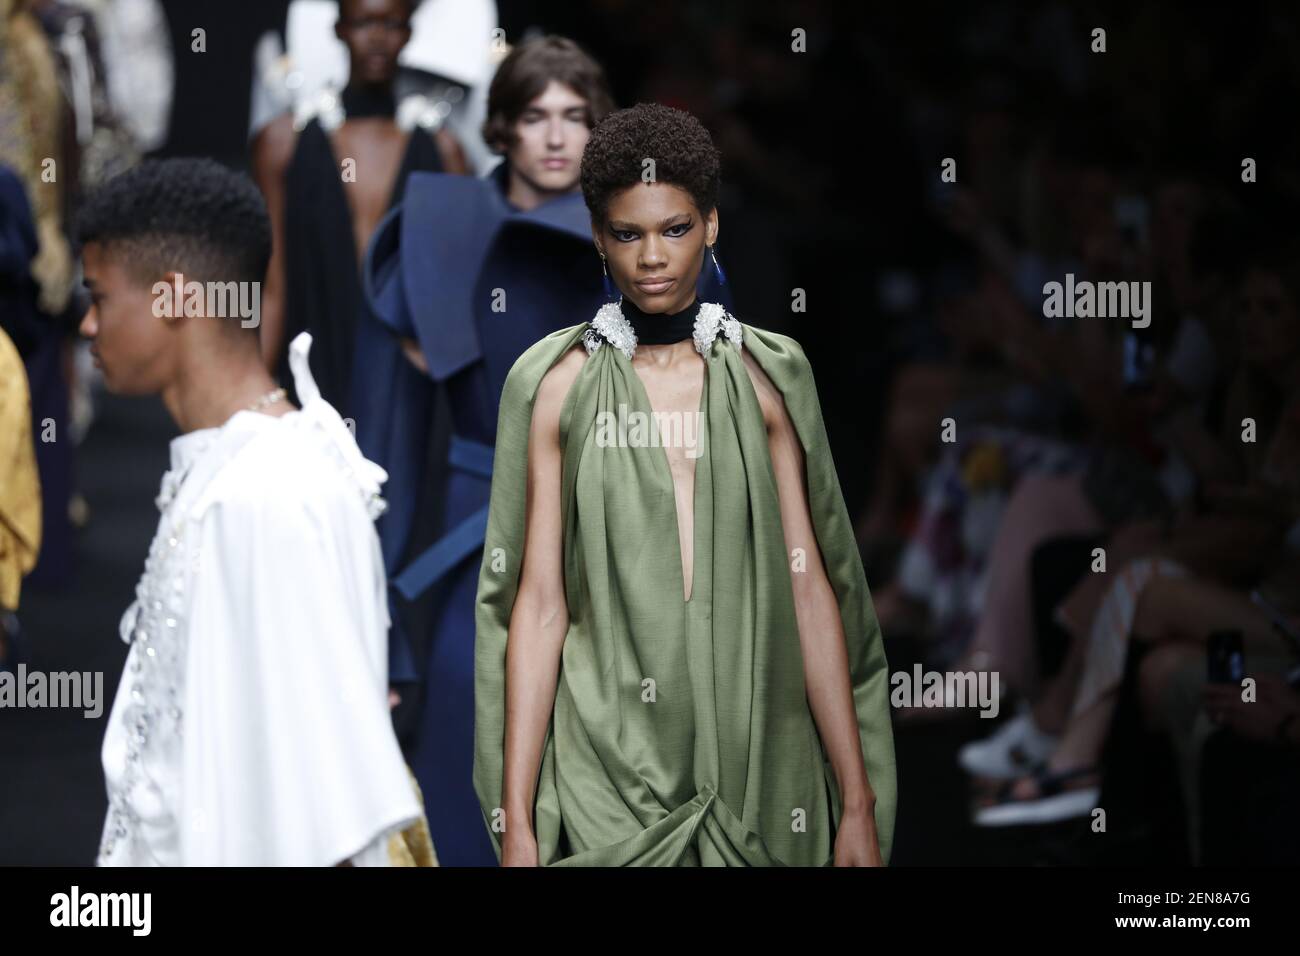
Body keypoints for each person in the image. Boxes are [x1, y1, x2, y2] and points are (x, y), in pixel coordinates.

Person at [472, 102, 896, 866]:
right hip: (609, 764)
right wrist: (519, 818)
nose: (652, 257)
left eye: (674, 229)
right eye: (628, 234)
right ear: (599, 238)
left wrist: (856, 802)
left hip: (759, 758)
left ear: (711, 225)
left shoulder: (768, 379)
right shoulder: (555, 387)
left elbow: (810, 589)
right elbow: (537, 603)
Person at [357, 35, 674, 866]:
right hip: (474, 534)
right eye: (535, 116)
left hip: (618, 532)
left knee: (617, 751)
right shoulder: (433, 229)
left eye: (576, 117)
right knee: (470, 733)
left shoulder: (650, 246)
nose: (557, 136)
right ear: (501, 128)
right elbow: (380, 446)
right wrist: (371, 624)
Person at [78, 158, 427, 866]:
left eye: (99, 295)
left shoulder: (266, 495)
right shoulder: (242, 468)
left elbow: (315, 809)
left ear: (173, 296)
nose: (87, 324)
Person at [252, 0, 468, 412]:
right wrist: (256, 401)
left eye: (391, 24)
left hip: (409, 384)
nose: (378, 38)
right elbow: (273, 286)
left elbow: (454, 287)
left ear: (408, 33)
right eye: (365, 22)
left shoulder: (442, 150)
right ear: (340, 29)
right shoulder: (283, 144)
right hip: (311, 372)